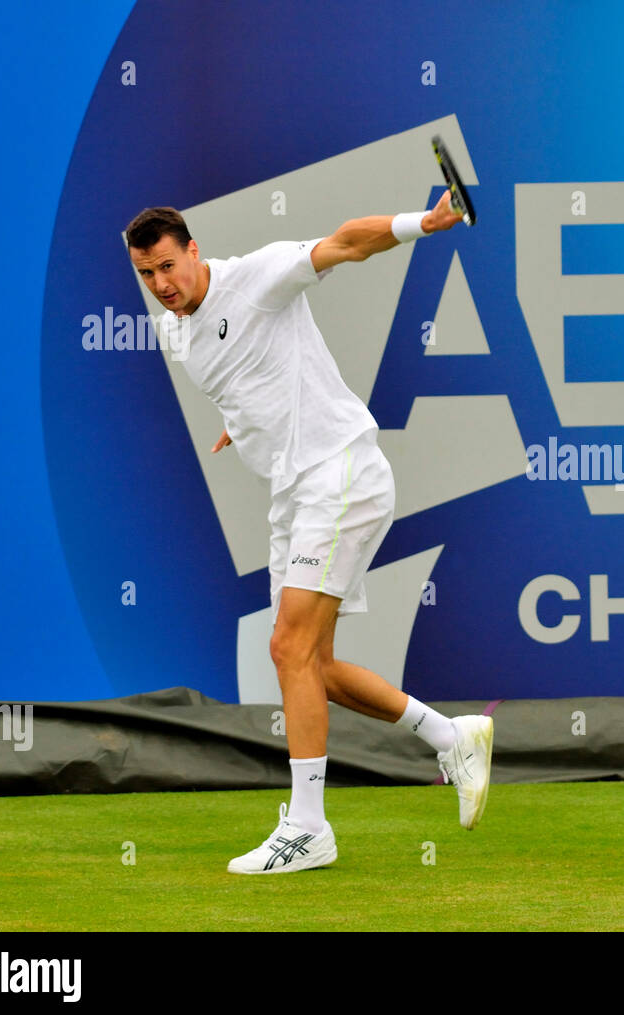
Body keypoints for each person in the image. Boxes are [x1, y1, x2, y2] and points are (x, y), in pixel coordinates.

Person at [124, 191, 493, 874]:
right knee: (310, 665)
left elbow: (346, 243)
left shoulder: (258, 277)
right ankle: (452, 734)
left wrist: (424, 222)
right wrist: (244, 423)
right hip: (293, 493)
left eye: (168, 267)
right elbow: (248, 377)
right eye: (146, 275)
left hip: (340, 470)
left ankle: (308, 827)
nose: (162, 286)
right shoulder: (175, 331)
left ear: (193, 250)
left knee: (287, 644)